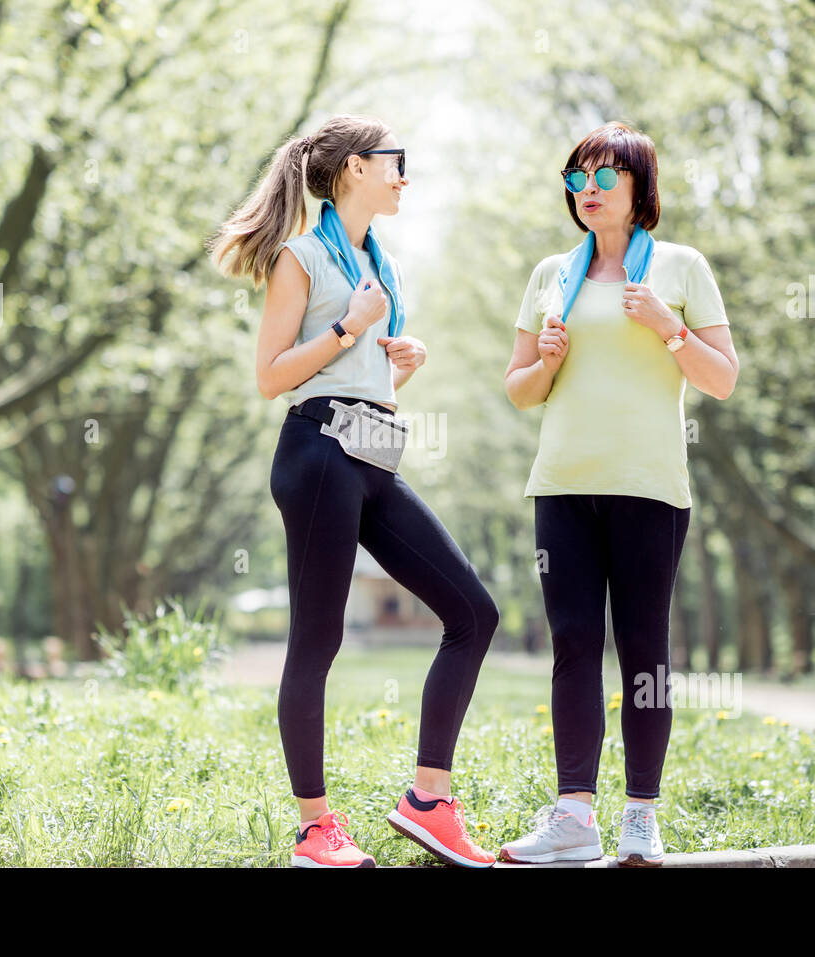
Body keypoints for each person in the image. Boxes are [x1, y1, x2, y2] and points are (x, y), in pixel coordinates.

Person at [209, 114, 499, 868]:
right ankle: (315, 832)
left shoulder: (382, 263)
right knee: (319, 637)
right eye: (394, 160)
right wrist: (348, 327)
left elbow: (362, 378)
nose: (405, 173)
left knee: (474, 611)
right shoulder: (300, 257)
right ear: (352, 171)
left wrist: (402, 361)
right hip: (316, 455)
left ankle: (428, 802)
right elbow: (273, 375)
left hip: (372, 455)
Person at [500, 121, 740, 866]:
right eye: (578, 177)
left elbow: (723, 378)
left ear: (641, 187)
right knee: (573, 644)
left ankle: (642, 815)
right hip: (563, 486)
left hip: (649, 489)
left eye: (605, 175)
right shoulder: (550, 275)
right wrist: (544, 359)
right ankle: (574, 817)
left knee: (644, 651)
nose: (590, 190)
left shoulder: (680, 266)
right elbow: (519, 392)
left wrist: (670, 327)